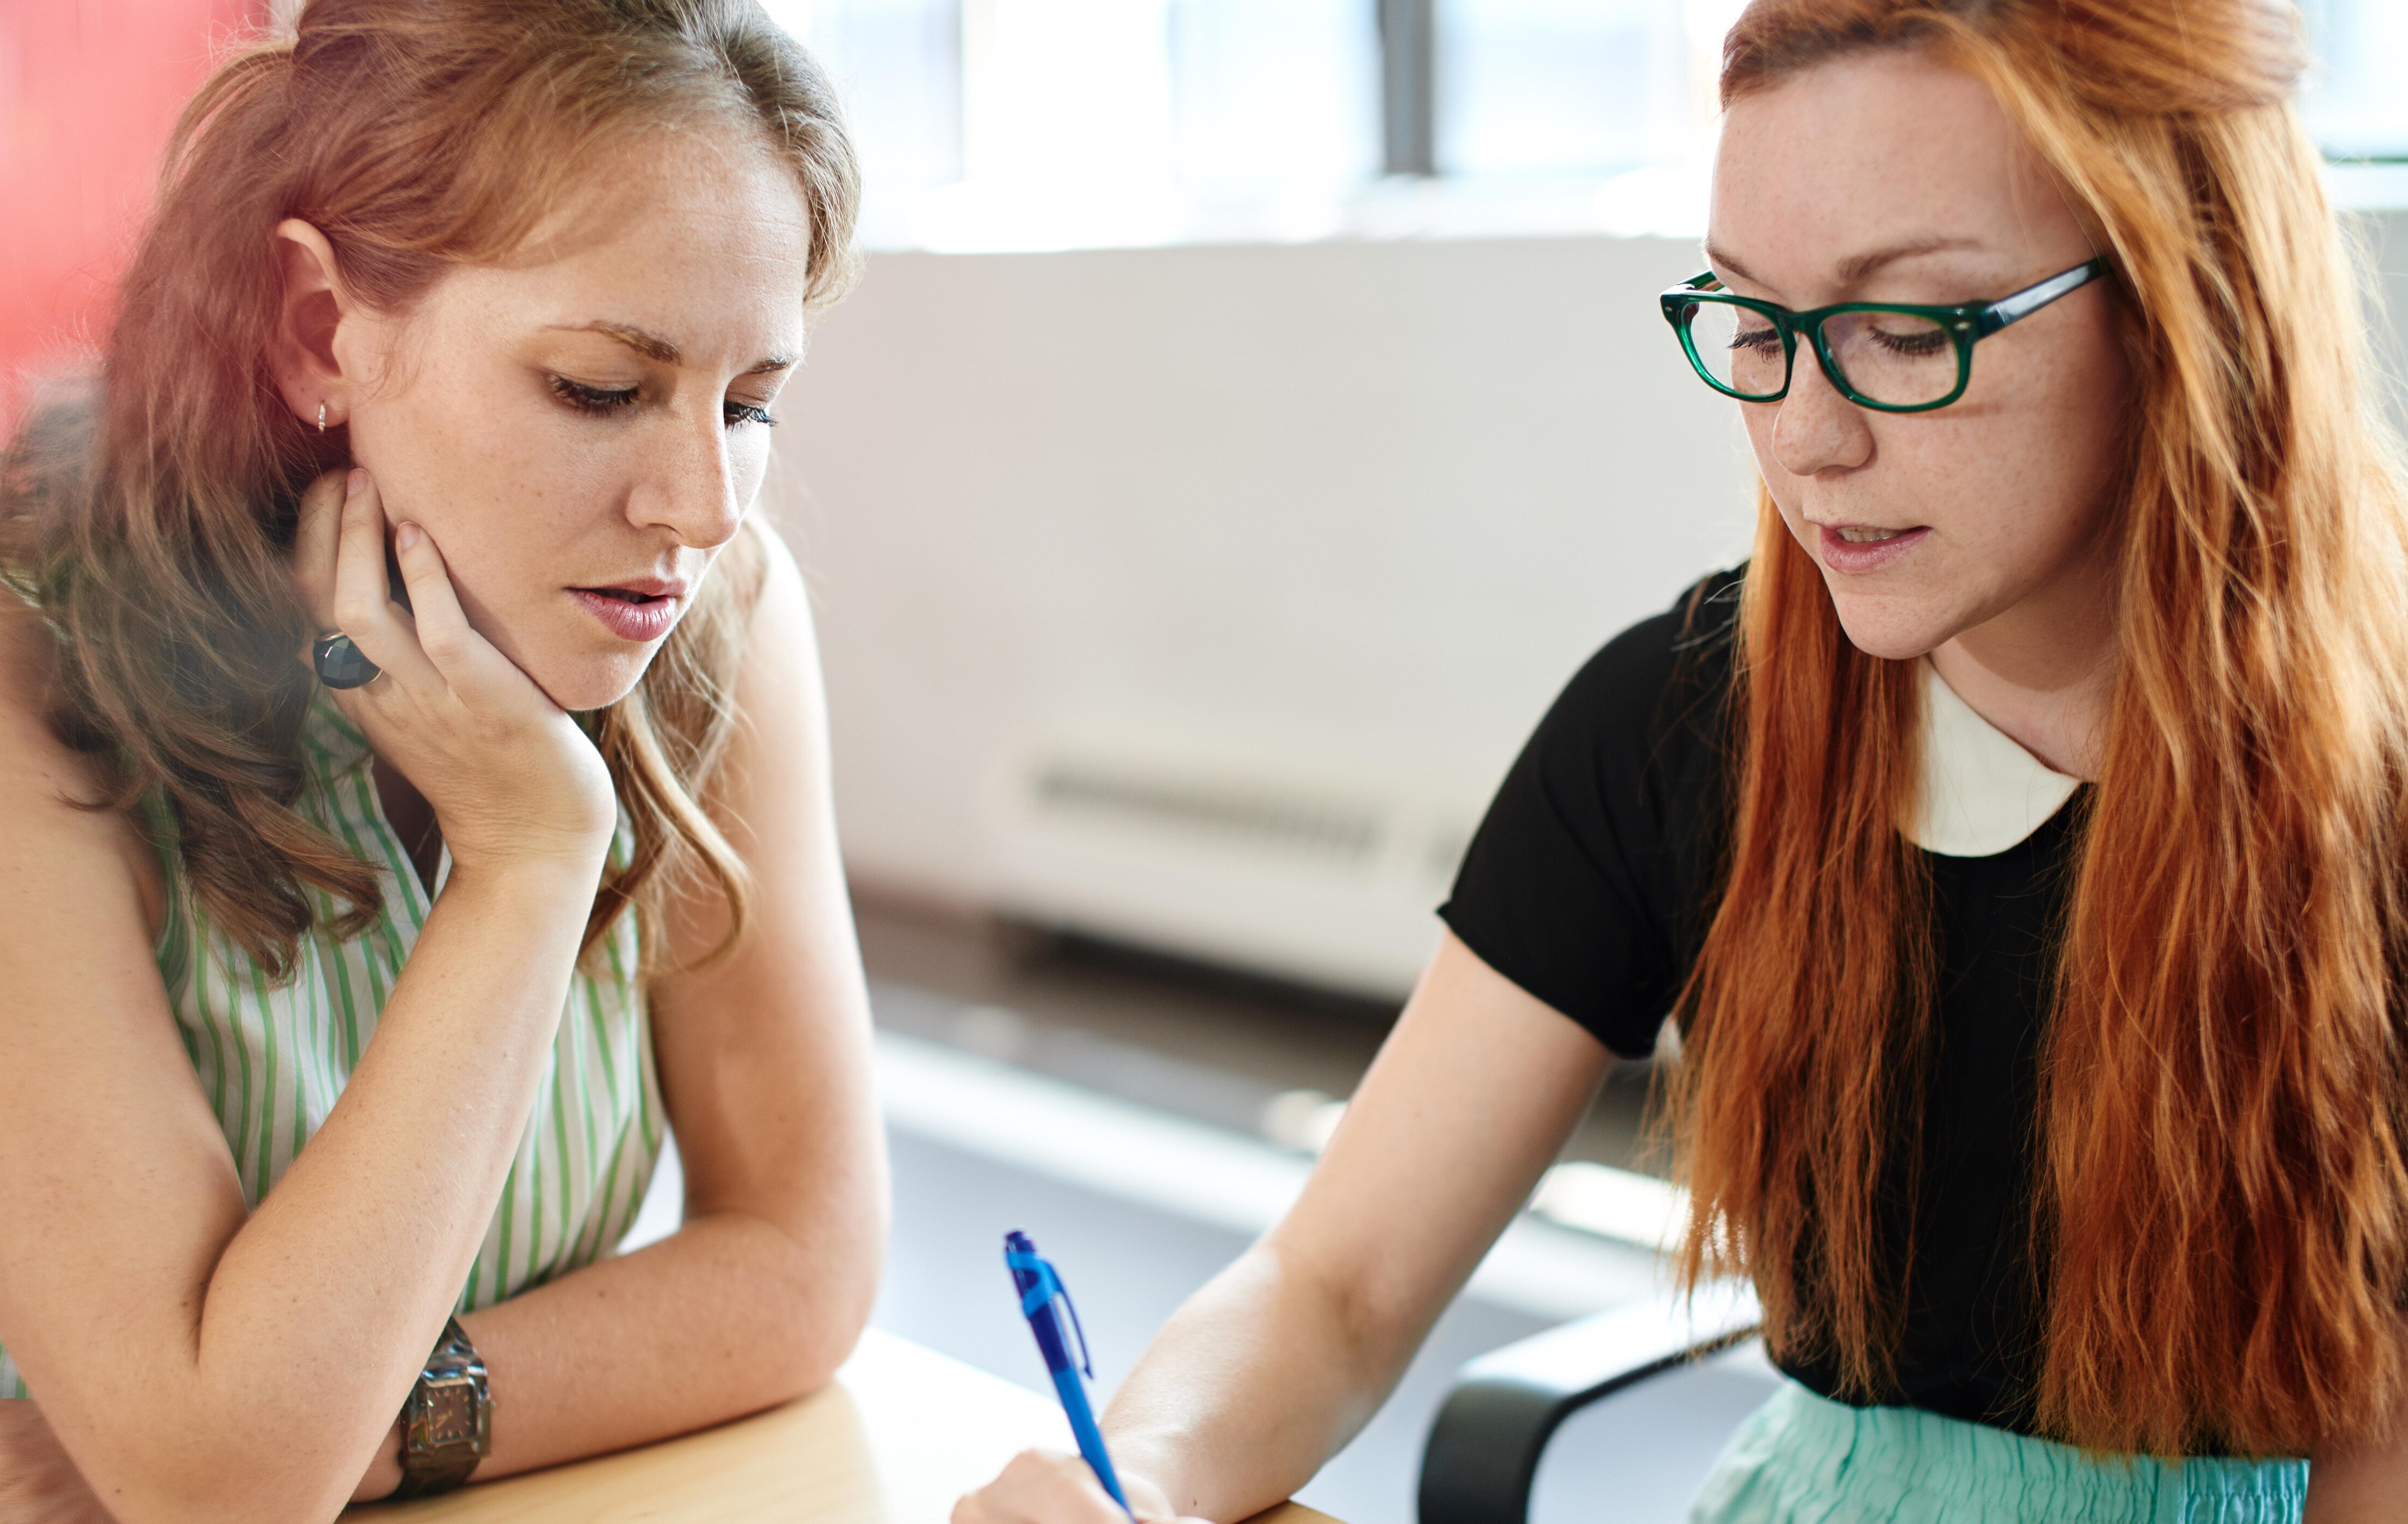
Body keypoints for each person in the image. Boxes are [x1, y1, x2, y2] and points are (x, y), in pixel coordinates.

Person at [957, 0, 2408, 1520]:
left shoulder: (2364, 788)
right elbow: (1337, 1282)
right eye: (1751, 322)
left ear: (2194, 295)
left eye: (1907, 329)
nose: (1805, 436)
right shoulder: (1691, 717)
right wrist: (1138, 1472)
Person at [0, 3, 886, 1520]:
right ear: (318, 327)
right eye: (601, 387)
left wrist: (385, 1422)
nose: (704, 502)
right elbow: (227, 1485)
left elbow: (802, 1258)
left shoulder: (706, 615)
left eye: (749, 404)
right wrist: (528, 860)